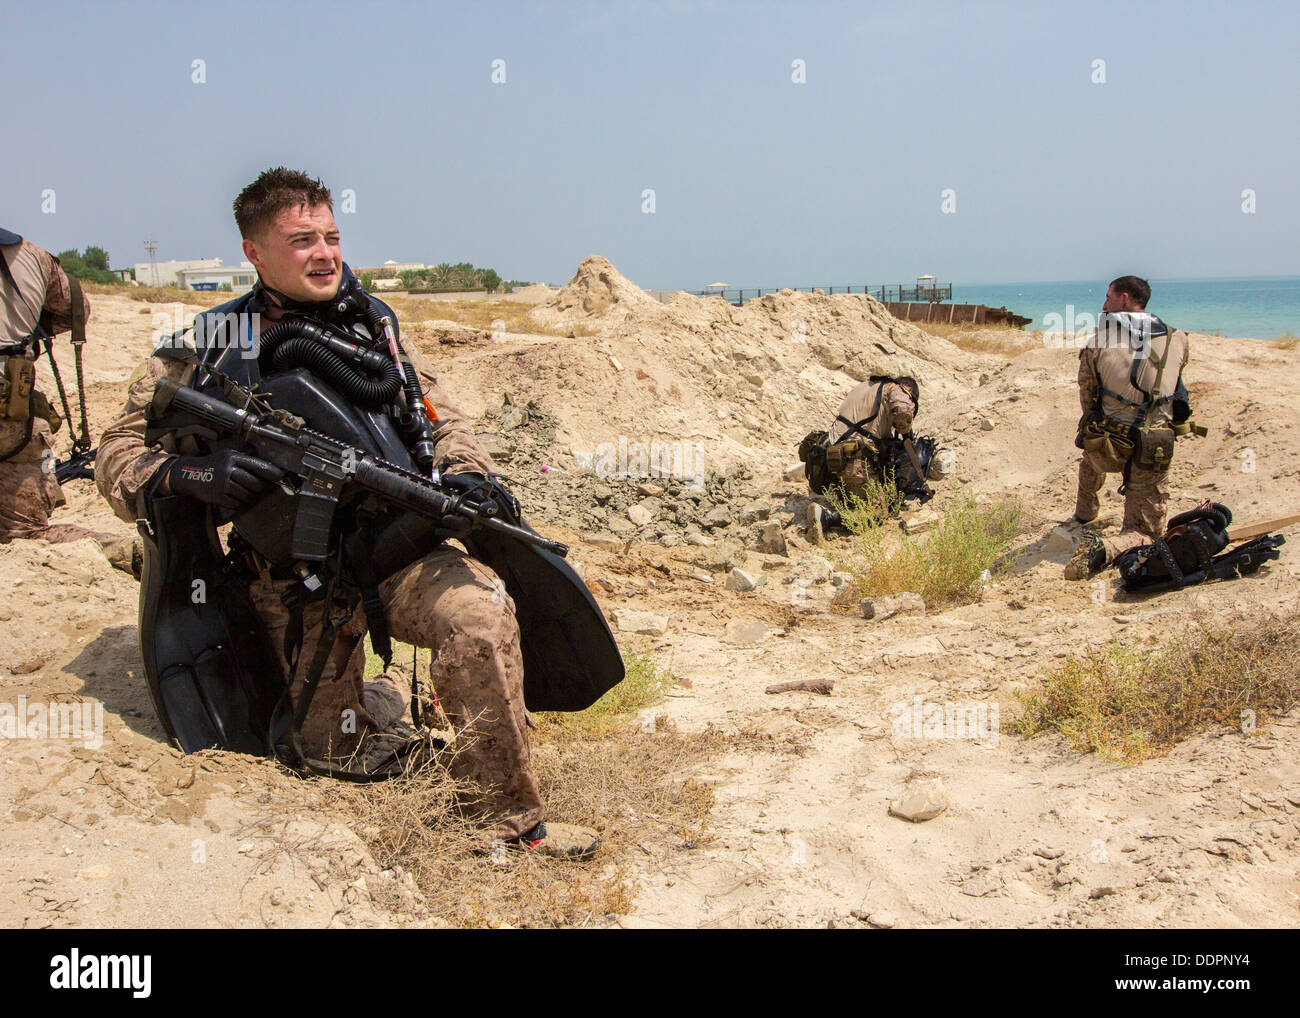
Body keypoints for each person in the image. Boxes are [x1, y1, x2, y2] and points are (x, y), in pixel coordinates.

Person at [95, 168, 597, 857]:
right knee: (327, 749)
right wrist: (189, 474)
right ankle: (385, 696)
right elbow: (116, 451)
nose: (325, 253)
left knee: (480, 619)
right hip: (292, 579)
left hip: (398, 552)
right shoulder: (209, 346)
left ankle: (512, 826)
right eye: (302, 240)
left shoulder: (377, 330)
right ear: (254, 253)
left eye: (332, 236)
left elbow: (444, 421)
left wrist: (467, 474)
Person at [0, 227, 135, 569]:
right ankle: (128, 552)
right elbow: (76, 310)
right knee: (26, 534)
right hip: (15, 412)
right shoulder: (32, 256)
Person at [1065, 275, 1192, 580]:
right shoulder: (1178, 338)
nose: (1103, 303)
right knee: (1144, 531)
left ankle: (1085, 515)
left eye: (1108, 297)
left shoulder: (1100, 341)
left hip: (1107, 441)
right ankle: (1109, 547)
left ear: (1124, 298)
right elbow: (1177, 390)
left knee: (1089, 456)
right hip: (1156, 443)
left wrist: (1093, 424)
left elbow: (1088, 392)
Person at [804, 374, 922, 541]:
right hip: (854, 461)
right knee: (879, 513)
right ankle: (827, 518)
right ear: (909, 390)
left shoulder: (866, 386)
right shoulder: (896, 389)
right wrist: (905, 430)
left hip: (832, 458)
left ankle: (846, 505)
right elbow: (903, 410)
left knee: (855, 499)